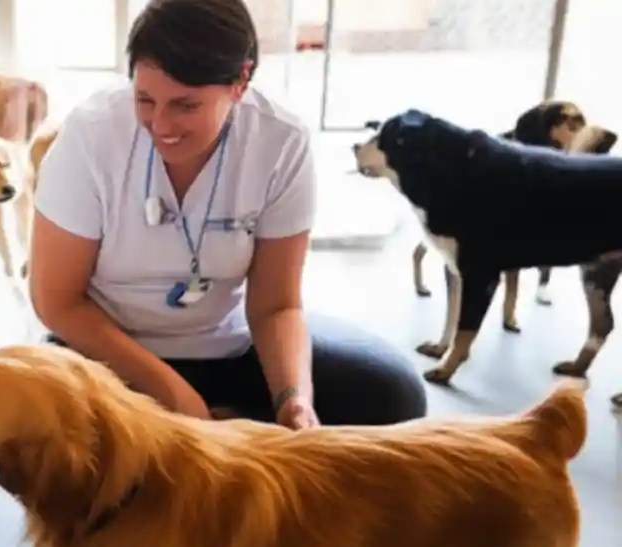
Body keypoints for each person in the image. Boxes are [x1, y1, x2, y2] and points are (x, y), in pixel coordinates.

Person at [29, 0, 427, 428]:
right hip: (108, 354)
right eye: (145, 99)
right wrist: (174, 395)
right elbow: (58, 302)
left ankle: (226, 427)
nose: (161, 124)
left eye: (186, 105)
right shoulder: (91, 134)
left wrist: (294, 400)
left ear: (240, 83)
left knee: (393, 395)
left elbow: (276, 306)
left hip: (228, 351)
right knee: (37, 426)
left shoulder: (280, 141)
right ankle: (218, 429)